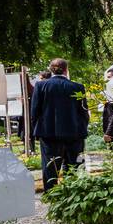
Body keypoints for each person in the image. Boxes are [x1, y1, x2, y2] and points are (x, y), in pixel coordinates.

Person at [30, 58, 90, 190]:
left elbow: (34, 112)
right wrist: (83, 129)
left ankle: (51, 194)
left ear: (51, 70)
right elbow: (83, 112)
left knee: (50, 167)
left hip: (48, 134)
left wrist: (36, 132)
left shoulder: (40, 86)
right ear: (66, 69)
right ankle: (73, 194)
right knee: (75, 165)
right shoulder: (77, 87)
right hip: (74, 134)